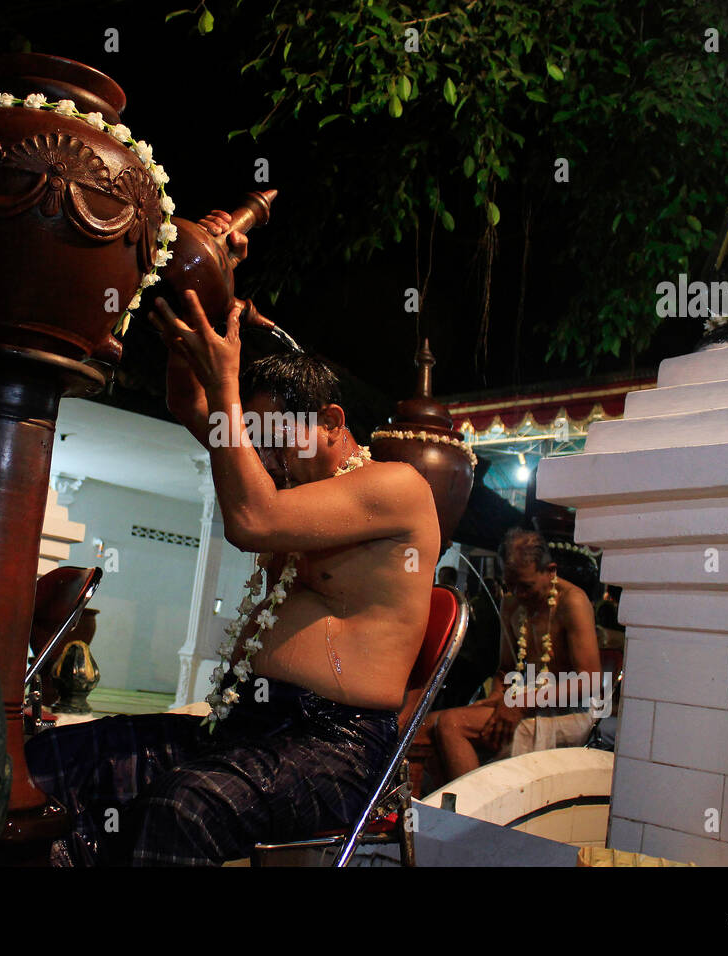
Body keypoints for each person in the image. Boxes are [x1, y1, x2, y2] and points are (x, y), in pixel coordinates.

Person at [25, 223, 439, 866]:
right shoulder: (291, 487)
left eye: (277, 435)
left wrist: (227, 381)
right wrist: (200, 317)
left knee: (184, 807)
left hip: (337, 747)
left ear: (332, 422)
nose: (266, 454)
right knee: (66, 759)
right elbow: (185, 401)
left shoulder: (395, 487)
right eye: (257, 438)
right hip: (247, 725)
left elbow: (251, 521)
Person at [425, 528, 601, 783]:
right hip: (520, 700)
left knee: (452, 725)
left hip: (566, 710)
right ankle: (425, 813)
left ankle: (473, 816)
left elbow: (591, 680)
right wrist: (498, 698)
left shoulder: (572, 601)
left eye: (526, 586)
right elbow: (506, 671)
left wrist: (521, 703)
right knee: (423, 730)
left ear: (550, 571)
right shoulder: (510, 603)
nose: (519, 594)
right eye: (511, 585)